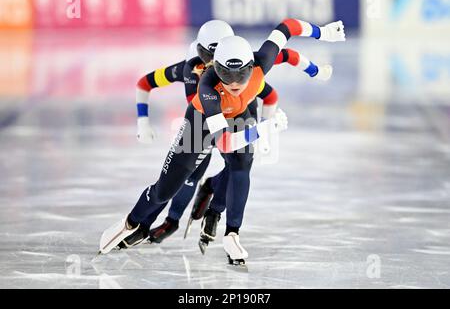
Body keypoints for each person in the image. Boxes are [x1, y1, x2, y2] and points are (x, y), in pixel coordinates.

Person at [99, 18, 345, 265]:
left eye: (242, 73)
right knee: (167, 189)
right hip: (201, 124)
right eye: (225, 74)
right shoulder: (205, 84)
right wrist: (264, 129)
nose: (235, 82)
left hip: (237, 115)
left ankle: (231, 233)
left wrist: (321, 43)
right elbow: (225, 142)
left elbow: (288, 32)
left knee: (241, 166)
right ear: (213, 65)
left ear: (252, 62)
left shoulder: (262, 62)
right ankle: (132, 222)